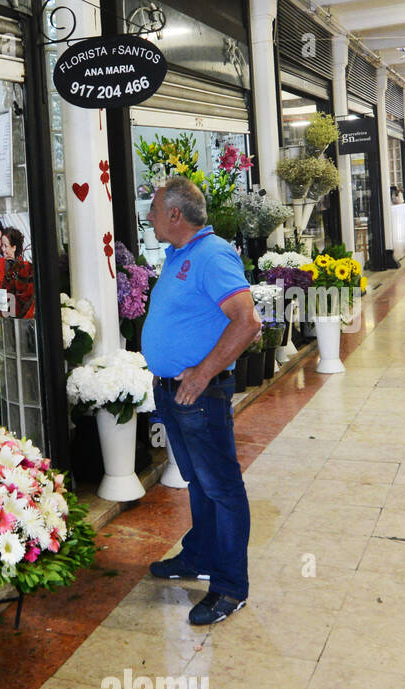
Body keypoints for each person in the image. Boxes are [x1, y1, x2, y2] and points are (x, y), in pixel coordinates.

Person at [141, 176, 262, 626]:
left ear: (176, 214)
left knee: (223, 489)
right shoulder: (178, 256)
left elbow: (248, 322)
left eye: (154, 209)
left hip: (200, 395)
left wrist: (203, 372)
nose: (149, 216)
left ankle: (230, 587)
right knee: (200, 484)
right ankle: (199, 556)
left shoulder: (212, 255)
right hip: (174, 392)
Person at [0, 226, 34, 318]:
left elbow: (28, 298)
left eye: (5, 246)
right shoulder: (2, 264)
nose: (3, 249)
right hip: (8, 313)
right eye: (1, 245)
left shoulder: (25, 267)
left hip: (20, 317)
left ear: (14, 247)